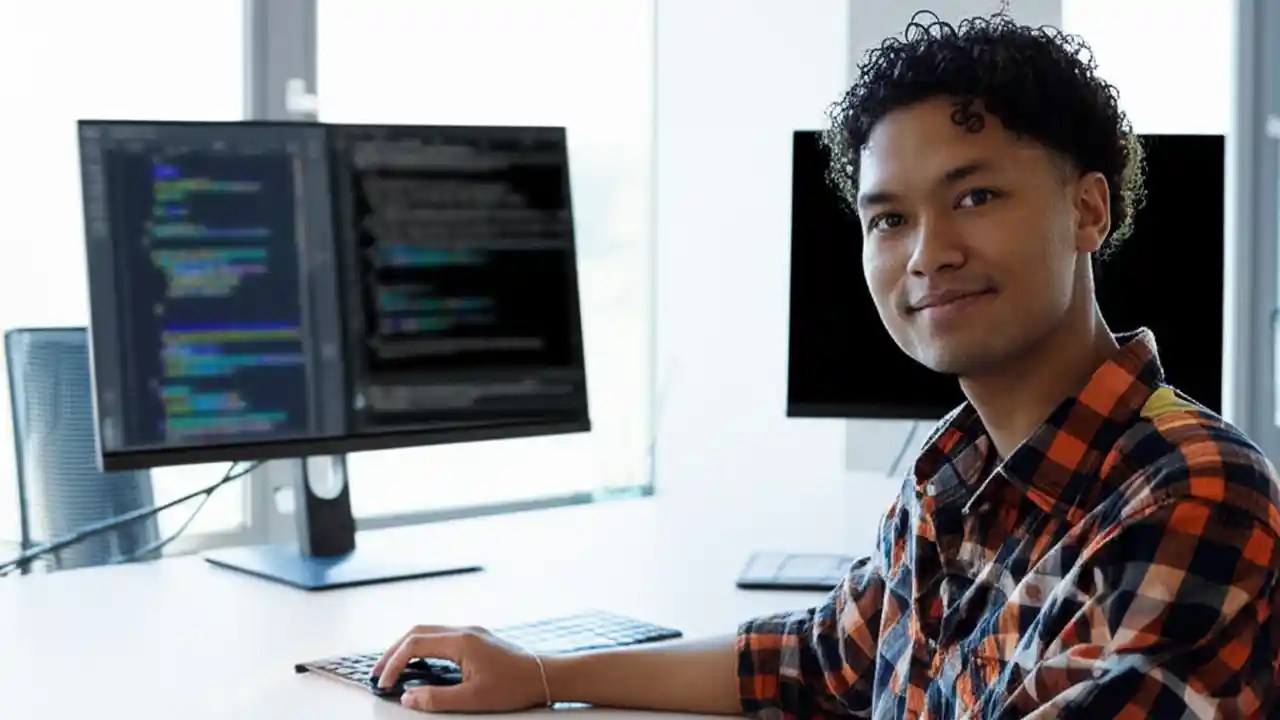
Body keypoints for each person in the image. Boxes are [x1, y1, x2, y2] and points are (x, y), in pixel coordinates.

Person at [372, 11, 1280, 718]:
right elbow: (816, 658)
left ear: (1088, 212)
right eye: (889, 219)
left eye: (975, 194)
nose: (928, 253)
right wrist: (541, 673)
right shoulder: (953, 479)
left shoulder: (1192, 491)